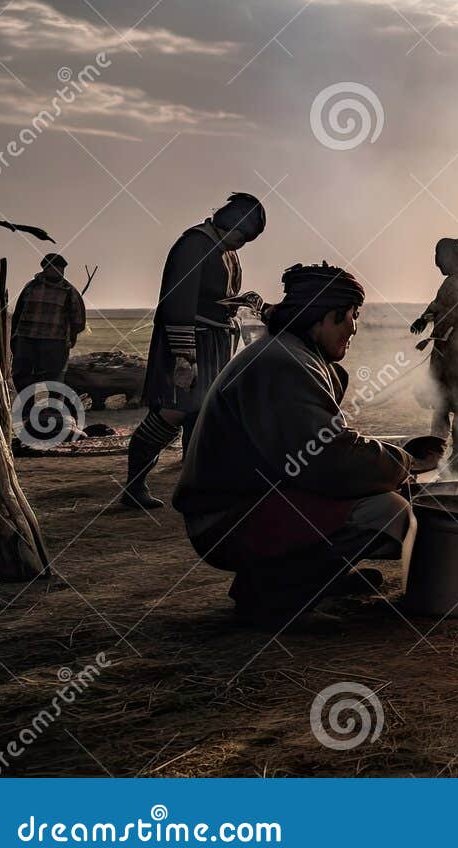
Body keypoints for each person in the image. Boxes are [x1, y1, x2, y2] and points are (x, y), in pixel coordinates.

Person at [174, 263, 439, 629]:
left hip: (242, 503)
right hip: (226, 520)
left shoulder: (289, 353)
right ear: (321, 317)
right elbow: (330, 459)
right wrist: (405, 463)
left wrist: (398, 459)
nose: (353, 328)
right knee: (386, 511)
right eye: (349, 316)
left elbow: (321, 447)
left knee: (382, 489)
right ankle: (277, 600)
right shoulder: (284, 364)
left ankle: (304, 582)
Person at [124, 193, 266, 510]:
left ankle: (197, 486)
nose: (240, 245)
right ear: (228, 223)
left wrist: (240, 301)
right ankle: (135, 486)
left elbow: (213, 296)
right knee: (173, 411)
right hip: (190, 343)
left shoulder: (225, 250)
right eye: (240, 237)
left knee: (202, 416)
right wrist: (184, 356)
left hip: (216, 342)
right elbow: (179, 302)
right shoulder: (193, 245)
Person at [410, 237, 458, 473]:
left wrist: (455, 333)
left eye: (438, 257)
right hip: (445, 353)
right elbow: (439, 304)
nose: (436, 263)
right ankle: (436, 453)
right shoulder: (451, 282)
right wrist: (425, 318)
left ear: (450, 256)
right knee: (440, 403)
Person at [11, 253, 86, 392]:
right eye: (55, 267)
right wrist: (14, 338)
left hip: (55, 341)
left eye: (61, 269)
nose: (59, 271)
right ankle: (27, 408)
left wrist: (71, 337)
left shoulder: (69, 291)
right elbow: (18, 314)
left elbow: (78, 319)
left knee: (53, 378)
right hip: (27, 338)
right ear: (45, 268)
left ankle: (52, 410)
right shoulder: (31, 287)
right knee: (22, 374)